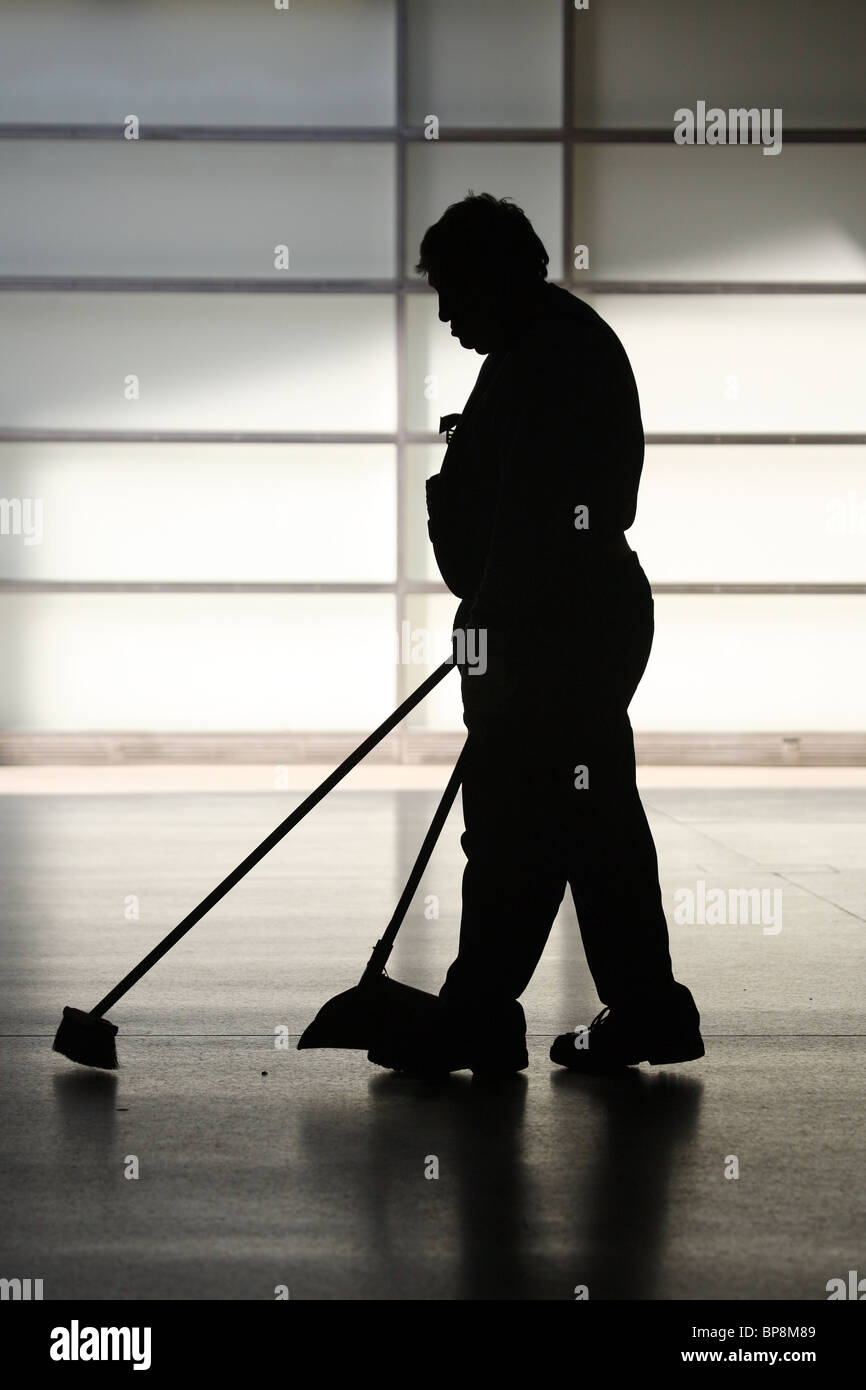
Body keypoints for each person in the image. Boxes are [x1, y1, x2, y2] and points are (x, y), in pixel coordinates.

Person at [411, 193, 704, 1076]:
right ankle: (632, 1008)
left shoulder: (547, 358)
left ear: (497, 275)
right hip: (563, 616)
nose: (446, 314)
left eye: (455, 291)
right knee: (577, 817)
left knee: (521, 815)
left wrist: (492, 628)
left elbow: (533, 523)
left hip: (555, 623)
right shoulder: (542, 345)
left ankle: (486, 1012)